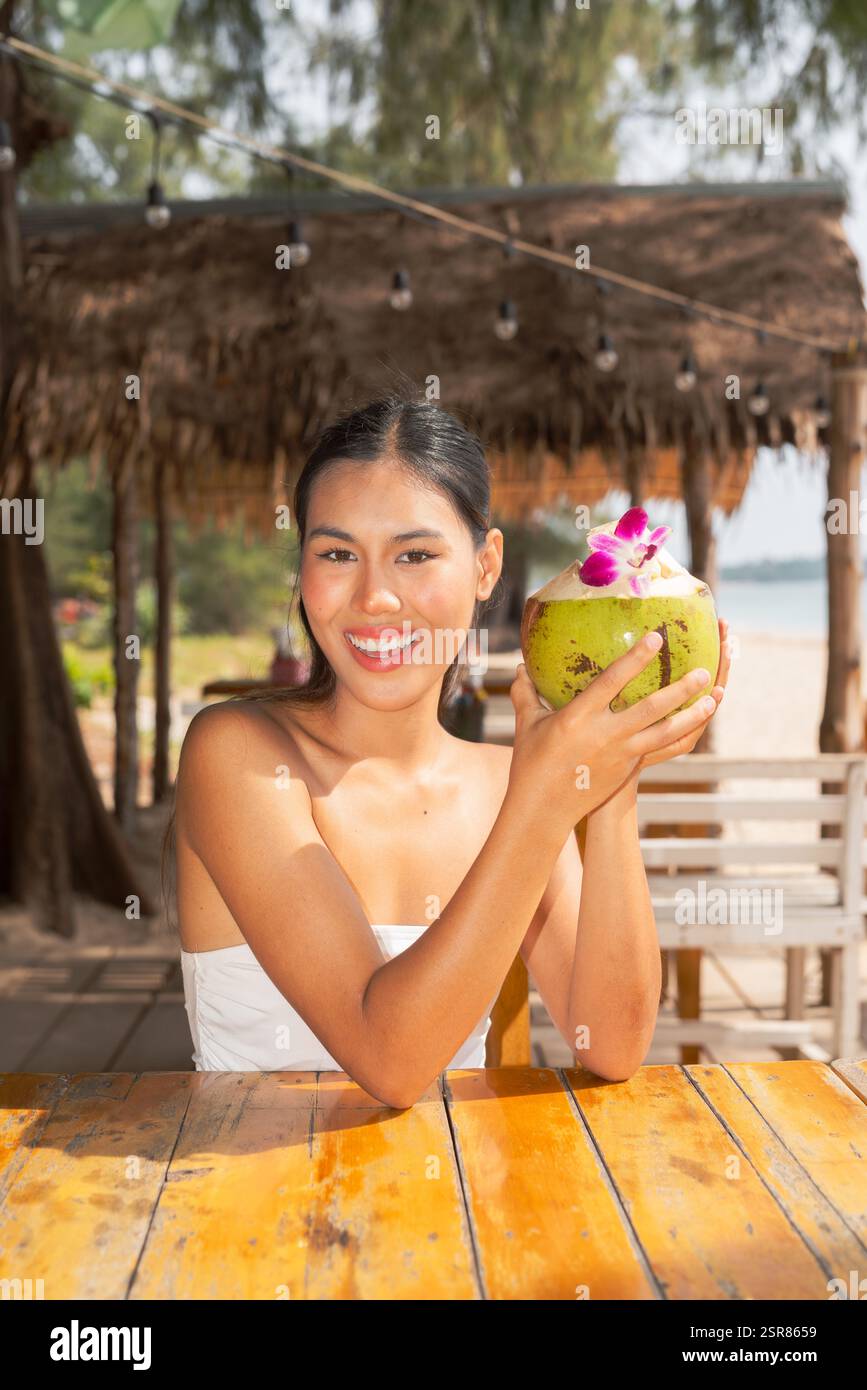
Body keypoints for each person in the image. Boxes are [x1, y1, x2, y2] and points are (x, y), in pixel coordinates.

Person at [167, 394, 730, 1106]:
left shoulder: (510, 784)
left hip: (447, 1205)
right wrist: (542, 802)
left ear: (485, 566)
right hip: (245, 1203)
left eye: (415, 554)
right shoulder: (239, 756)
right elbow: (390, 1062)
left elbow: (610, 1044)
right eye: (337, 553)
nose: (374, 597)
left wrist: (613, 784)